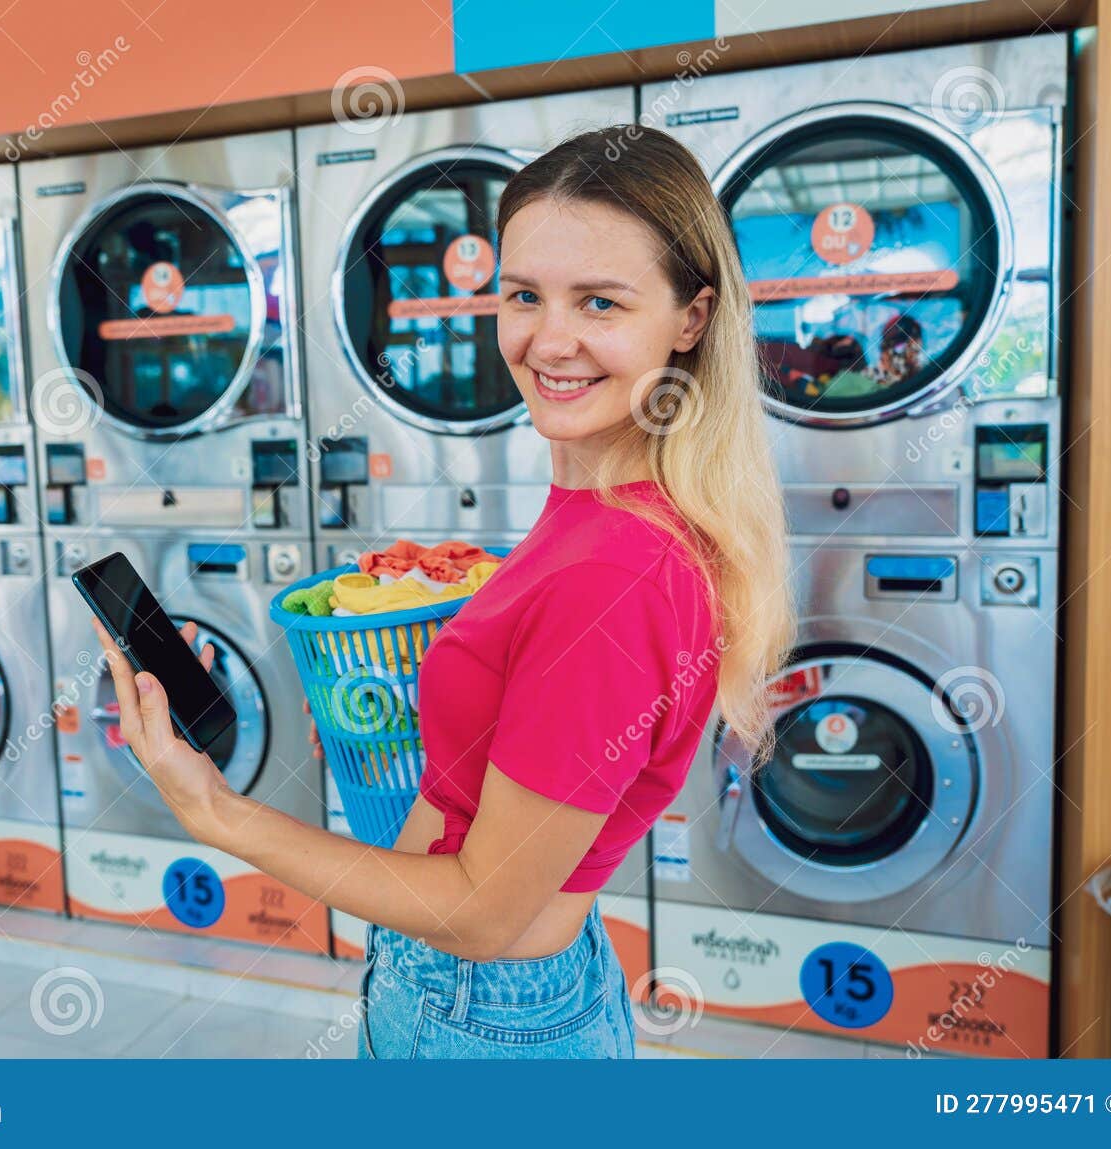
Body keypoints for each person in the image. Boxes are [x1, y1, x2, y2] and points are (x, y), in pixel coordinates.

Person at [91, 126, 793, 1059]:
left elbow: (478, 912)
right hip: (507, 993)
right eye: (523, 295)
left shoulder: (613, 576)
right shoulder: (606, 508)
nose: (550, 339)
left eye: (601, 302)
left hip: (484, 1012)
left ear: (692, 318)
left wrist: (214, 808)